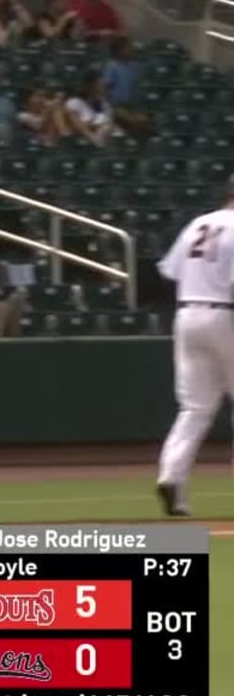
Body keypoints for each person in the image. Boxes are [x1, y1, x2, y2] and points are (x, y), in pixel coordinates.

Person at [152, 179, 234, 517]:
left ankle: (171, 476)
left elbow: (169, 271)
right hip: (224, 315)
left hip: (186, 314)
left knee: (195, 408)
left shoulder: (199, 223)